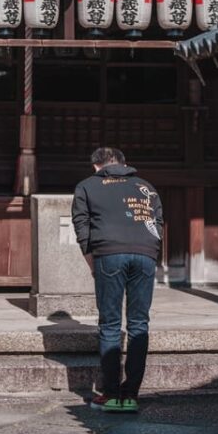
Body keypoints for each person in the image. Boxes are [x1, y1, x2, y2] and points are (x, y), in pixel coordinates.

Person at [71, 147, 163, 413]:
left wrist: (93, 263)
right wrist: (153, 255)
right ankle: (131, 395)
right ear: (124, 164)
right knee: (139, 323)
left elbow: (82, 227)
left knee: (110, 324)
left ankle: (110, 394)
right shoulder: (146, 186)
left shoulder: (87, 186)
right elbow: (158, 224)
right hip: (146, 255)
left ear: (96, 166)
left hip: (108, 254)